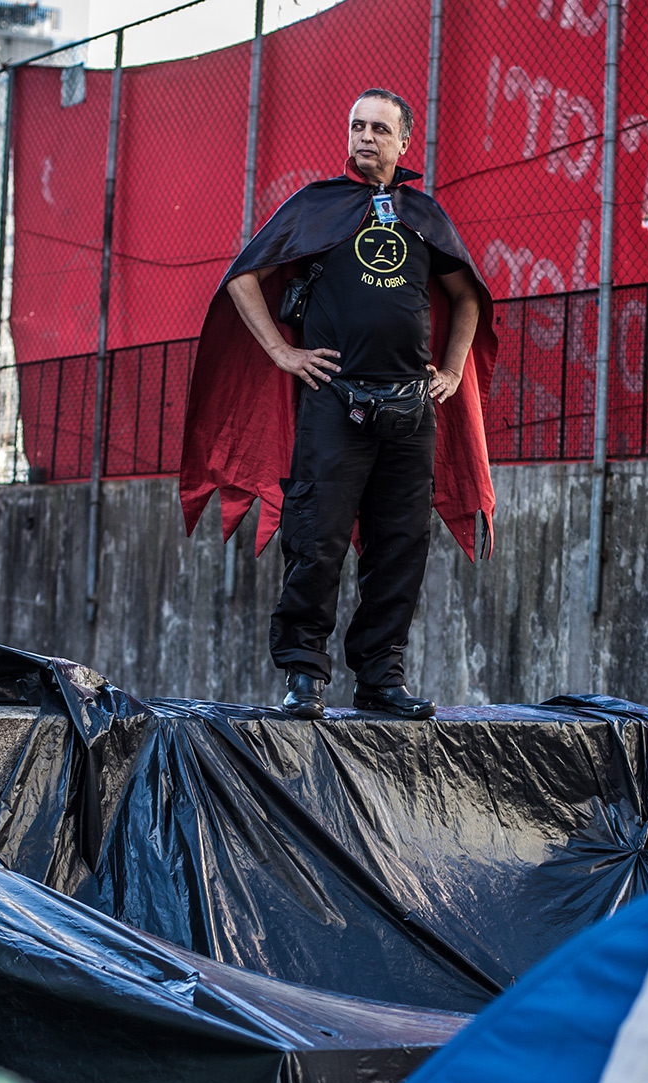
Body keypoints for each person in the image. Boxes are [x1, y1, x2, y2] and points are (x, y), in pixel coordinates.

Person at [179, 89, 497, 721]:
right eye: (356, 125)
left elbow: (468, 297)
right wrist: (281, 352)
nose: (366, 137)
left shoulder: (425, 216)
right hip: (334, 405)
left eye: (380, 128)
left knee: (400, 546)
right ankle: (303, 676)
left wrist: (455, 367)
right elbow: (242, 276)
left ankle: (381, 678)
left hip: (410, 412)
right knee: (315, 540)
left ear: (405, 142)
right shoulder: (315, 207)